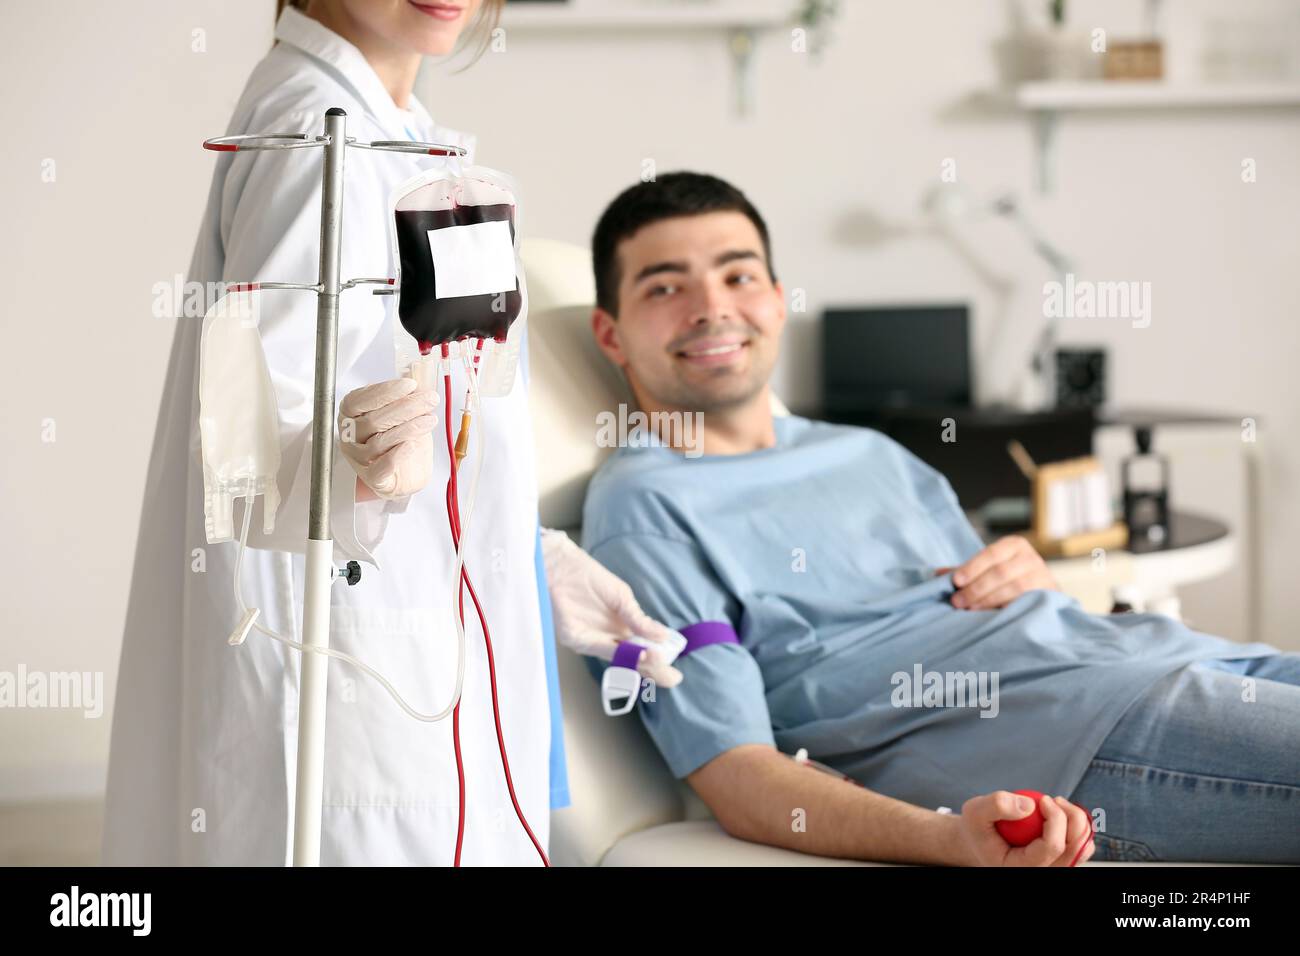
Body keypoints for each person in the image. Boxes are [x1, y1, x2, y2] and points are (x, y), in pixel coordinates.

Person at [576, 171, 1300, 865]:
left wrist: (1037, 581)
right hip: (1078, 728)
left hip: (1160, 653)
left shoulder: (868, 453)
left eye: (738, 276)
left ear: (777, 299)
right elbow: (735, 771)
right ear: (610, 334)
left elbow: (985, 611)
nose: (712, 307)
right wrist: (947, 840)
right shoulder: (646, 507)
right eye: (666, 286)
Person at [104, 0, 673, 866]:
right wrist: (357, 471)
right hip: (356, 666)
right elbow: (247, 454)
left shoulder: (396, 130)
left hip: (397, 639)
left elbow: (448, 409)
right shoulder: (320, 136)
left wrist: (529, 559)